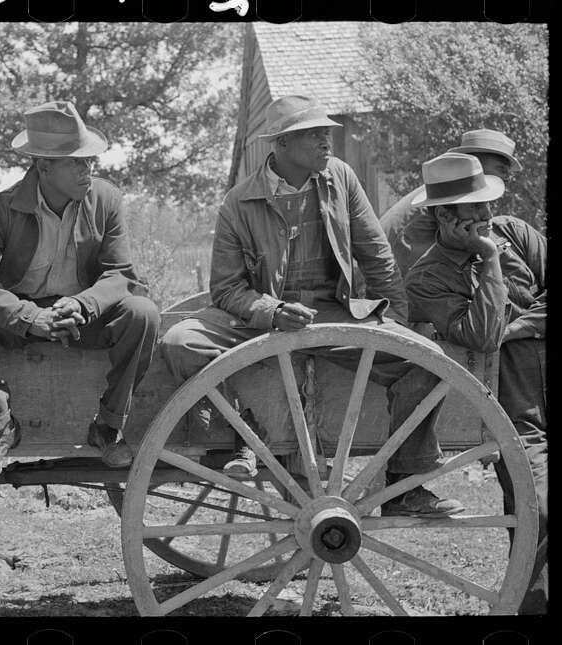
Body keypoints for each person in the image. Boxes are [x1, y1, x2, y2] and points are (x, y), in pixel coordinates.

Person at [161, 95, 463, 517]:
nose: (327, 142)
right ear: (281, 145)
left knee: (425, 360)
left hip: (334, 314)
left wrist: (395, 324)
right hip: (258, 321)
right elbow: (226, 289)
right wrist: (271, 311)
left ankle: (404, 489)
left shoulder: (340, 178)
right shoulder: (239, 202)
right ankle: (247, 438)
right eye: (315, 135)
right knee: (180, 341)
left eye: (327, 133)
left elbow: (378, 258)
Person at [0, 100, 159, 487]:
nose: (87, 169)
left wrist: (84, 303)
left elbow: (121, 274)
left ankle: (109, 426)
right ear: (43, 165)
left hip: (85, 315)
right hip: (23, 318)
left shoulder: (106, 199)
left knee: (142, 312)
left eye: (88, 160)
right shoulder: (2, 207)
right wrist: (30, 317)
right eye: (75, 162)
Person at [404, 152, 546, 614]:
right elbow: (484, 338)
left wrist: (524, 326)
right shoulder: (427, 278)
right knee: (539, 510)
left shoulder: (516, 233)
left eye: (487, 206)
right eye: (474, 211)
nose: (487, 217)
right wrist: (488, 260)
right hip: (513, 416)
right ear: (444, 217)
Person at [380, 129, 522, 277]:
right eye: (502, 169)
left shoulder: (451, 193)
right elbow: (418, 280)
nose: (508, 177)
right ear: (474, 163)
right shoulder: (438, 208)